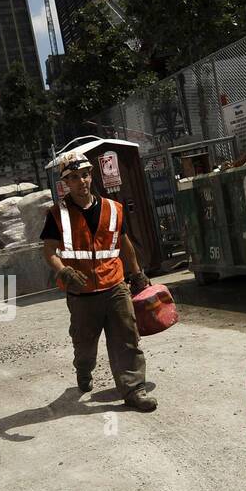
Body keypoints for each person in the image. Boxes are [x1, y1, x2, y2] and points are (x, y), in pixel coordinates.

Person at [41, 153, 157, 412]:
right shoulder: (56, 214)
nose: (81, 181)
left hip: (115, 286)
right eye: (73, 177)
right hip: (81, 293)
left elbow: (124, 245)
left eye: (84, 174)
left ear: (91, 175)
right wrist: (63, 271)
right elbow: (48, 250)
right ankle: (83, 369)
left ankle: (133, 389)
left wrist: (137, 274)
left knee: (127, 339)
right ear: (65, 184)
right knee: (85, 345)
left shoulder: (113, 209)